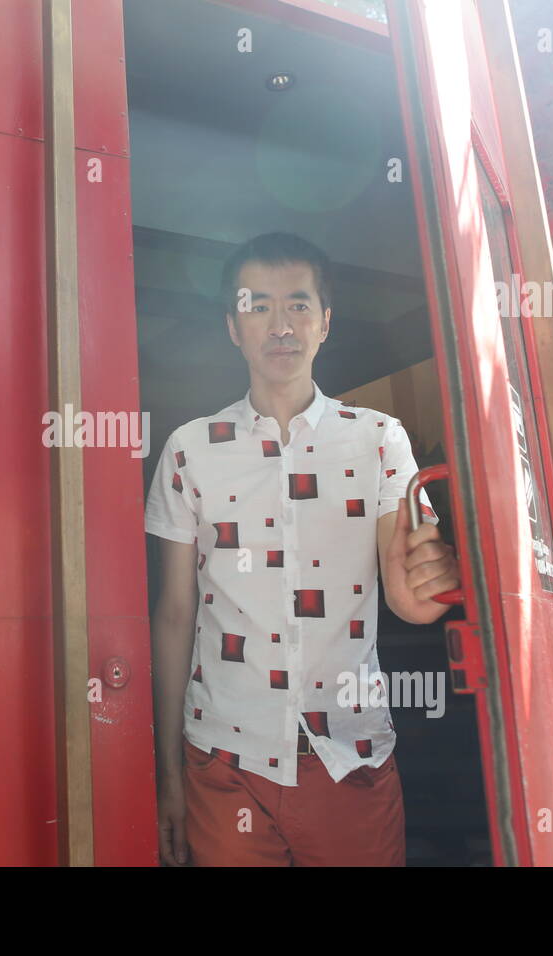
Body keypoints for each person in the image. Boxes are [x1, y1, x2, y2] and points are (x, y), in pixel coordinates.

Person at [144, 232, 460, 867]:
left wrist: (439, 575)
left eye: (298, 305)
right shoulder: (189, 449)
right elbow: (176, 615)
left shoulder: (377, 438)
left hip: (349, 756)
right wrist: (170, 775)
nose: (280, 325)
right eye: (258, 305)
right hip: (222, 762)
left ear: (325, 323)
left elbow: (408, 598)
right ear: (233, 326)